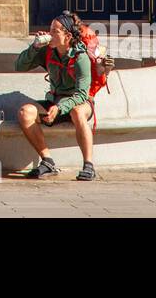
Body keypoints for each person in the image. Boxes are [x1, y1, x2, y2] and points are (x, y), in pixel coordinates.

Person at [15, 14, 96, 181]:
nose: (49, 34)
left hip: (78, 102)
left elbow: (81, 94)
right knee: (26, 112)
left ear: (67, 35)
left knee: (77, 112)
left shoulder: (80, 57)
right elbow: (19, 66)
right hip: (54, 102)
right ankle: (47, 161)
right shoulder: (48, 51)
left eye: (54, 31)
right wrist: (34, 47)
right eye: (49, 30)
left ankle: (88, 165)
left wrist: (61, 107)